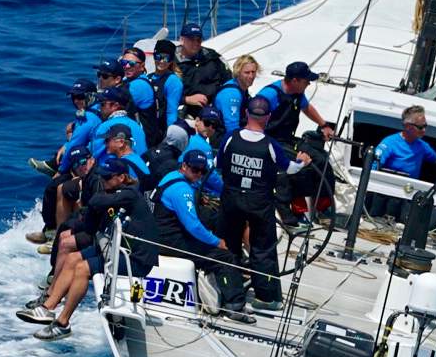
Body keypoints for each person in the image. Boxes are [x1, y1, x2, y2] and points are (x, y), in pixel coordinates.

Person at [18, 158, 159, 341]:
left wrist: (94, 204)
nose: (103, 181)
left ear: (122, 177)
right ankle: (47, 309)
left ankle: (63, 324)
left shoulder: (130, 193)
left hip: (136, 259)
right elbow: (92, 225)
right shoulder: (111, 193)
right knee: (72, 258)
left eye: (108, 177)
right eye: (102, 177)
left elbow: (97, 203)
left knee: (82, 268)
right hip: (115, 249)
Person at [218, 100, 313, 311]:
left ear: (245, 113)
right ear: (268, 117)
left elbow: (219, 165)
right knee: (262, 248)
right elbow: (290, 169)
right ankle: (265, 297)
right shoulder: (270, 144)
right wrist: (303, 162)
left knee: (229, 245)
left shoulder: (230, 138)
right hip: (259, 201)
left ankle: (229, 292)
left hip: (231, 198)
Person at [152, 149, 249, 318]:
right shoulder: (182, 190)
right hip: (169, 241)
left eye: (203, 171)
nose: (198, 174)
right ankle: (235, 306)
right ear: (184, 166)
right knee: (224, 257)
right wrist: (216, 241)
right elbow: (193, 226)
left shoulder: (171, 177)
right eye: (195, 169)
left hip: (163, 234)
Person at [253, 60, 334, 150]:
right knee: (314, 160)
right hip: (269, 142)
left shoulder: (297, 92)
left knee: (318, 152)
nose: (309, 83)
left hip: (286, 139)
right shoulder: (269, 95)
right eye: (306, 81)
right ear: (295, 81)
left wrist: (324, 126)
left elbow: (306, 107)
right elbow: (252, 121)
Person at [119, 48, 163, 152]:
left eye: (132, 63)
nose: (127, 66)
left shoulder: (139, 85)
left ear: (142, 66)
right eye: (124, 62)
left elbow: (116, 99)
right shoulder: (130, 81)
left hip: (144, 142)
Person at [176, 22, 230, 107]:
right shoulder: (171, 61)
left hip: (213, 107)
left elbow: (229, 80)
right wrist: (187, 99)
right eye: (191, 39)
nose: (196, 43)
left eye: (198, 39)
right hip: (183, 107)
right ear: (182, 40)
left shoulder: (212, 57)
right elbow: (162, 93)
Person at [93, 85, 148, 159]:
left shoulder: (105, 127)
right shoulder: (137, 126)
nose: (99, 107)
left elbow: (95, 155)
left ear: (115, 106)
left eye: (102, 104)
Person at [213, 54, 259, 139]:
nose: (251, 76)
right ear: (238, 72)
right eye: (247, 72)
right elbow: (231, 126)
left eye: (253, 72)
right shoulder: (232, 94)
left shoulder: (242, 88)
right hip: (223, 139)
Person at [97, 125, 152, 190]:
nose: (105, 144)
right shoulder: (135, 158)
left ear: (121, 142)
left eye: (107, 140)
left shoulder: (124, 165)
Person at [148, 40, 185, 127]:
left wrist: (170, 134)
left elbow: (171, 112)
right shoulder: (148, 77)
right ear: (154, 56)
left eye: (166, 58)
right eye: (158, 57)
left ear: (171, 60)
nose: (162, 61)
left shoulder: (173, 82)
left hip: (161, 130)